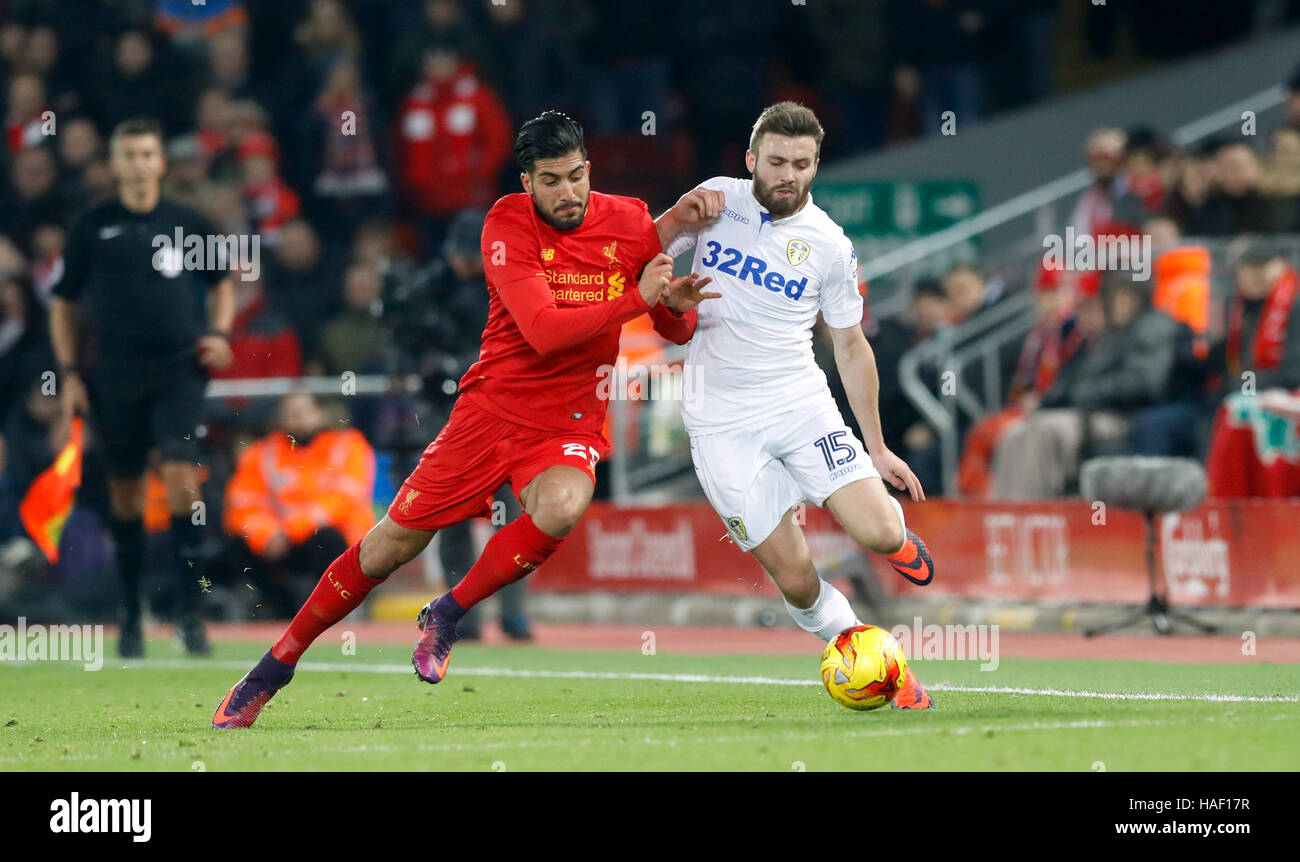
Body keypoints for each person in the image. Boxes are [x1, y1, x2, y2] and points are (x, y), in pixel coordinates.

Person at [212, 110, 715, 728]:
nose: (568, 192)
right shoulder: (505, 222)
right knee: (386, 550)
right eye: (552, 180)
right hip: (489, 411)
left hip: (568, 418)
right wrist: (634, 300)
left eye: (578, 175)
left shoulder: (631, 220)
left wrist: (678, 310)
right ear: (527, 181)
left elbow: (670, 323)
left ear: (591, 169)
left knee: (561, 507)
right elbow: (544, 332)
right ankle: (271, 670)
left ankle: (448, 613)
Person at [655, 102, 934, 709]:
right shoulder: (714, 200)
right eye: (776, 161)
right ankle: (878, 663)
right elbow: (634, 259)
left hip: (798, 404)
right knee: (798, 577)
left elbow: (852, 345)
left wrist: (878, 445)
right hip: (719, 421)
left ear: (815, 165)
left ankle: (900, 545)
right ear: (752, 159)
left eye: (801, 164)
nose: (788, 174)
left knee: (882, 532)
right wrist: (676, 219)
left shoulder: (831, 244)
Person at [49, 117, 235, 657]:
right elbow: (64, 302)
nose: (137, 164)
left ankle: (190, 614)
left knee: (181, 480)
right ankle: (131, 612)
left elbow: (221, 283)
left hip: (178, 371)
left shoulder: (190, 223)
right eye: (127, 155)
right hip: (113, 375)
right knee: (126, 495)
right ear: (114, 164)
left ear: (160, 162)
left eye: (146, 154)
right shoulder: (91, 226)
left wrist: (220, 333)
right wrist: (68, 373)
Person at [221, 391, 375, 617]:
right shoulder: (262, 453)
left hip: (333, 542)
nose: (297, 418)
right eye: (291, 413)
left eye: (303, 412)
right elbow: (242, 505)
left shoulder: (348, 446)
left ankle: (333, 609)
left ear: (319, 413)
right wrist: (267, 534)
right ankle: (276, 606)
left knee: (327, 539)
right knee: (237, 544)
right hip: (279, 543)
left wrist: (291, 529)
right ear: (280, 418)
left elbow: (343, 501)